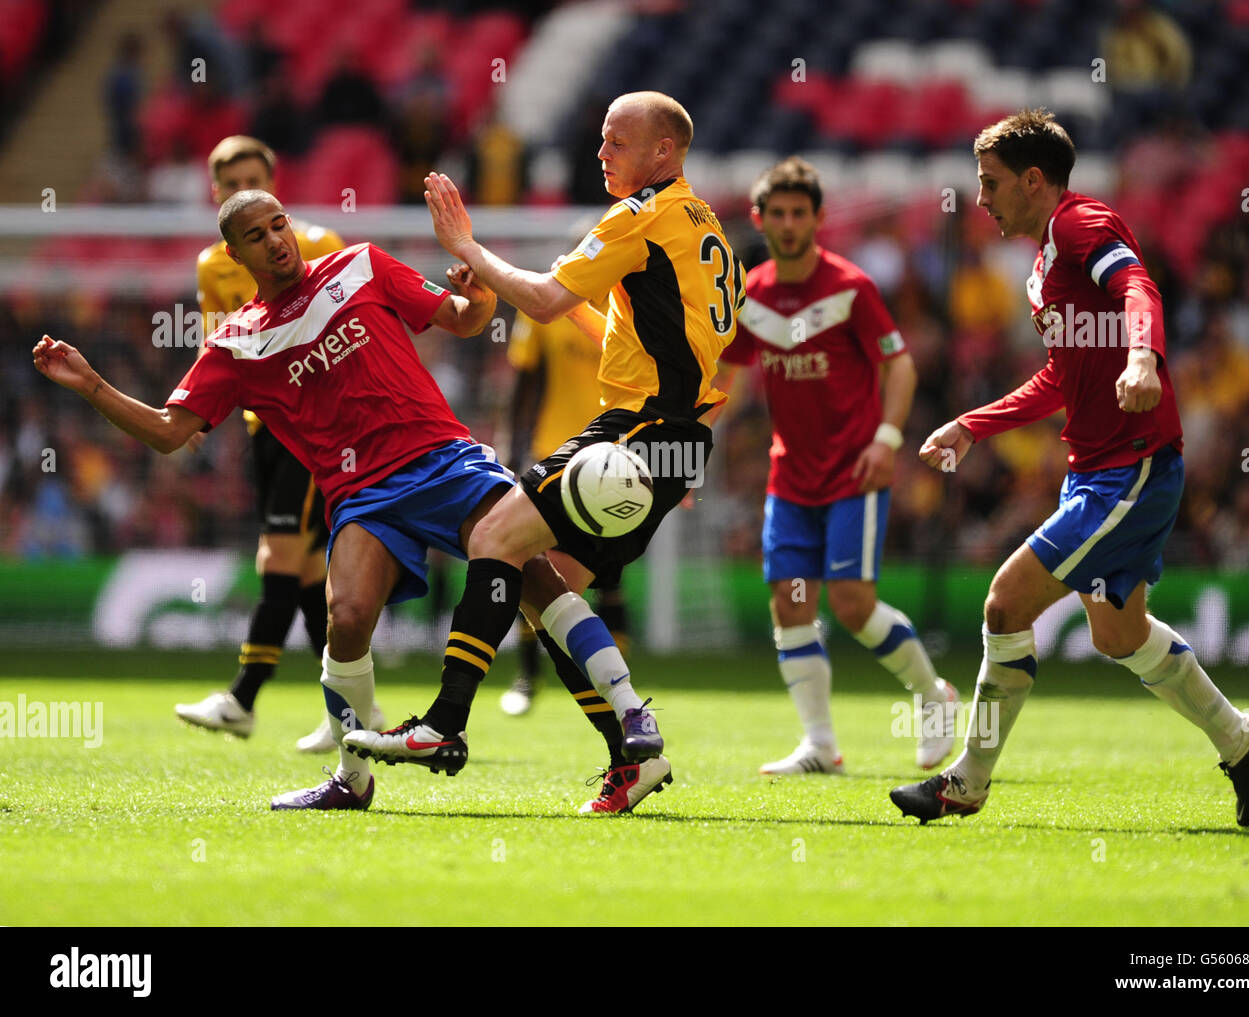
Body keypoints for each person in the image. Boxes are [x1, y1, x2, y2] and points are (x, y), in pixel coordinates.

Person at [32, 190, 627, 813]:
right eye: (257, 236)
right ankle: (352, 778)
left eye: (279, 224)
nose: (276, 240)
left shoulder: (359, 265)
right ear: (236, 256)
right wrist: (92, 384)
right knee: (344, 618)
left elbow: (462, 317)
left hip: (444, 460)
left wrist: (478, 296)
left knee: (540, 582)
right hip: (363, 497)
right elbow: (168, 431)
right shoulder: (235, 344)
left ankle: (631, 727)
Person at [343, 91, 744, 815]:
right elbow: (627, 325)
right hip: (681, 444)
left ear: (664, 152)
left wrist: (466, 248)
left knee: (495, 536)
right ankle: (632, 743)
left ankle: (444, 722)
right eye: (600, 139)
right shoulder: (702, 220)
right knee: (545, 583)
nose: (601, 153)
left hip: (638, 429)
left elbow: (545, 300)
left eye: (616, 141)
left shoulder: (639, 216)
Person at [890, 109, 1249, 827]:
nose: (981, 200)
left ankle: (965, 781)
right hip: (1097, 469)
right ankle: (1238, 735)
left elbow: (1141, 289)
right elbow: (1059, 380)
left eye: (991, 183)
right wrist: (975, 423)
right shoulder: (1045, 265)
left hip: (1132, 469)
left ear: (1034, 180)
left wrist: (1142, 357)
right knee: (1118, 635)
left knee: (1005, 603)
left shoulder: (1080, 224)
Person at [716, 157, 956, 776]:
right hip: (789, 478)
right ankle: (820, 744)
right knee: (791, 604)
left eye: (801, 212)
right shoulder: (754, 297)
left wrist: (887, 437)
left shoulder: (851, 287)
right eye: (779, 213)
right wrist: (690, 447)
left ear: (819, 218)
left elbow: (898, 364)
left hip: (855, 472)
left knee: (851, 603)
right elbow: (728, 375)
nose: (790, 223)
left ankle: (934, 698)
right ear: (760, 219)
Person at [173, 135, 385, 753]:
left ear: (273, 183)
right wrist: (195, 412)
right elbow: (219, 347)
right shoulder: (214, 267)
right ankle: (351, 710)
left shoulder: (319, 246)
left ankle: (244, 696)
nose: (242, 189)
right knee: (306, 569)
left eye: (253, 180)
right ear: (215, 193)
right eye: (231, 182)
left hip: (313, 427)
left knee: (280, 558)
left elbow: (350, 329)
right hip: (261, 428)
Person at [499, 299, 631, 718]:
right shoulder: (545, 306)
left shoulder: (628, 306)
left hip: (614, 461)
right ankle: (527, 676)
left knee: (609, 579)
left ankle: (618, 684)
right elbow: (525, 380)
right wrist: (510, 445)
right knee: (534, 566)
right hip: (552, 454)